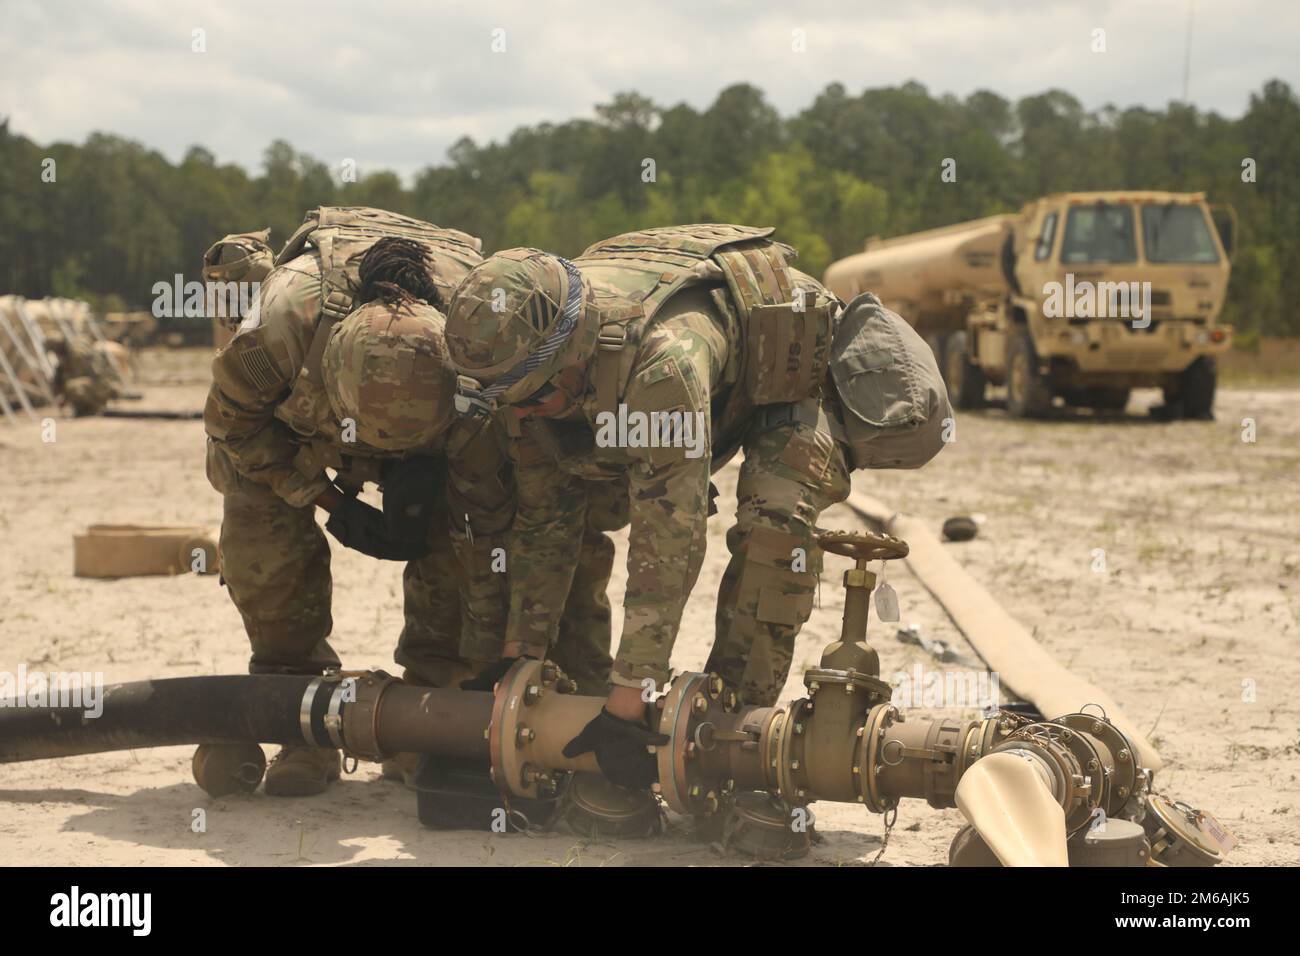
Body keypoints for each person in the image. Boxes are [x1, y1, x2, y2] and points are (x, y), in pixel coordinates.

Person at [446, 224, 951, 789]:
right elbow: (546, 518)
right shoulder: (520, 385)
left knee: (773, 529)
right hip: (705, 378)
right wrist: (520, 656)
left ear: (569, 355)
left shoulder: (663, 367)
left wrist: (631, 698)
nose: (525, 414)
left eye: (535, 397)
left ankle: (736, 740)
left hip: (791, 373)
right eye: (507, 401)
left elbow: (670, 540)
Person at [204, 208, 505, 795]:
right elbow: (232, 428)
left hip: (444, 447)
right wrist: (323, 498)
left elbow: (492, 509)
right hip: (299, 437)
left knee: (461, 542)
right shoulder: (284, 324)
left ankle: (428, 719)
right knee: (261, 539)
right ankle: (298, 716)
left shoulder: (488, 338)